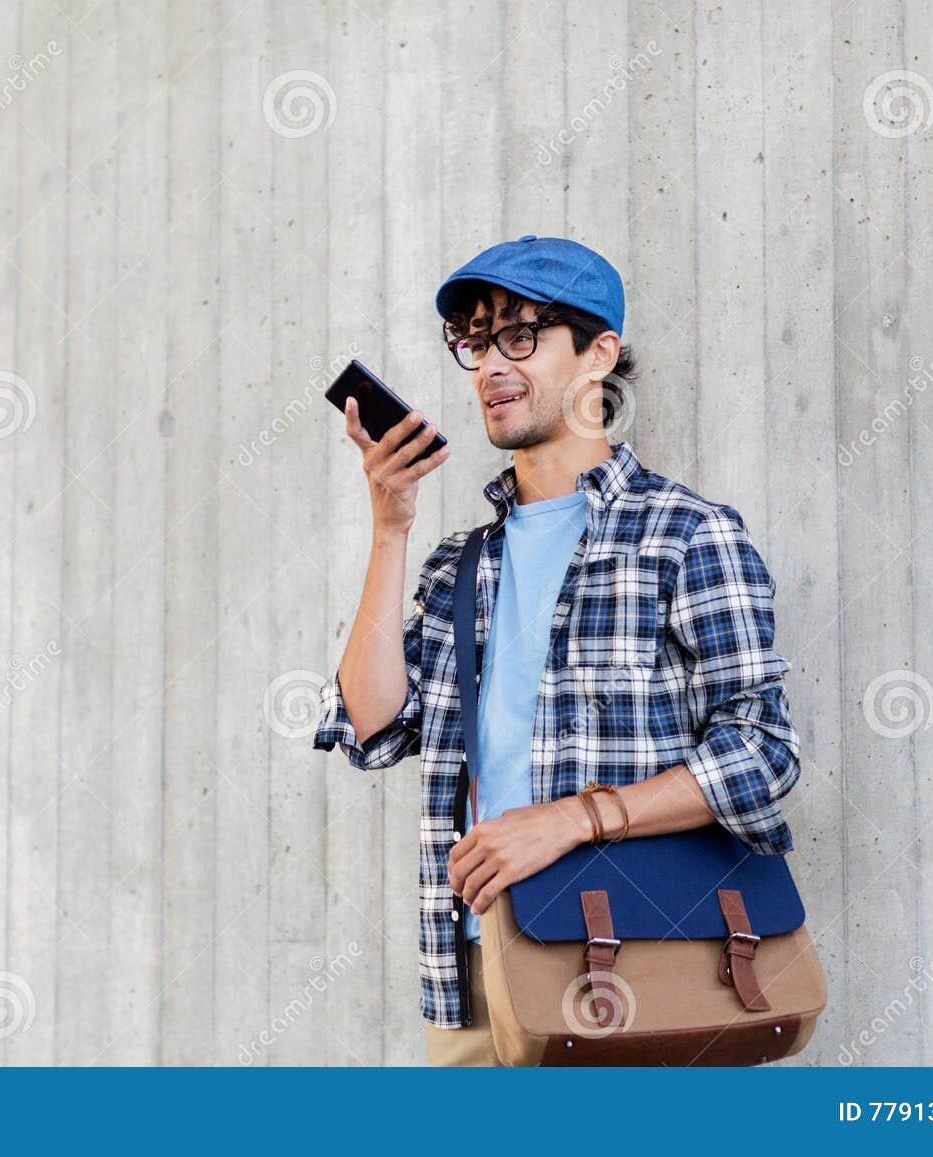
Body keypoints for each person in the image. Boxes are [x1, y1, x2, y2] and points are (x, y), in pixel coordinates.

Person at [313, 235, 802, 1066]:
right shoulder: (458, 565)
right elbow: (374, 728)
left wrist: (572, 821)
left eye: (521, 333)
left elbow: (762, 753)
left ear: (598, 355)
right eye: (474, 338)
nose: (489, 364)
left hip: (637, 961)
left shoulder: (685, 536)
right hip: (468, 973)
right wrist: (390, 527)